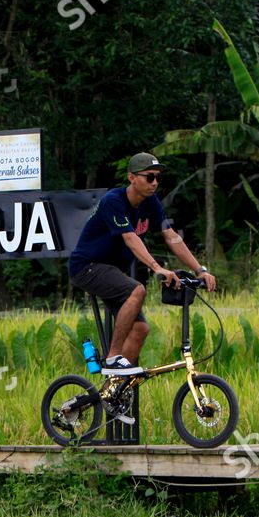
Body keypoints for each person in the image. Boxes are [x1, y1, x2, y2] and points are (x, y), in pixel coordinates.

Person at [68, 153, 216, 376]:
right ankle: (113, 357)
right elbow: (130, 238)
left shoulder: (151, 204)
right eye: (149, 177)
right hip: (87, 266)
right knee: (137, 290)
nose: (155, 182)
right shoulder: (114, 201)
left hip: (112, 271)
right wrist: (157, 267)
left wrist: (200, 270)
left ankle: (114, 394)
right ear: (132, 177)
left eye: (157, 177)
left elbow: (171, 235)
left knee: (139, 329)